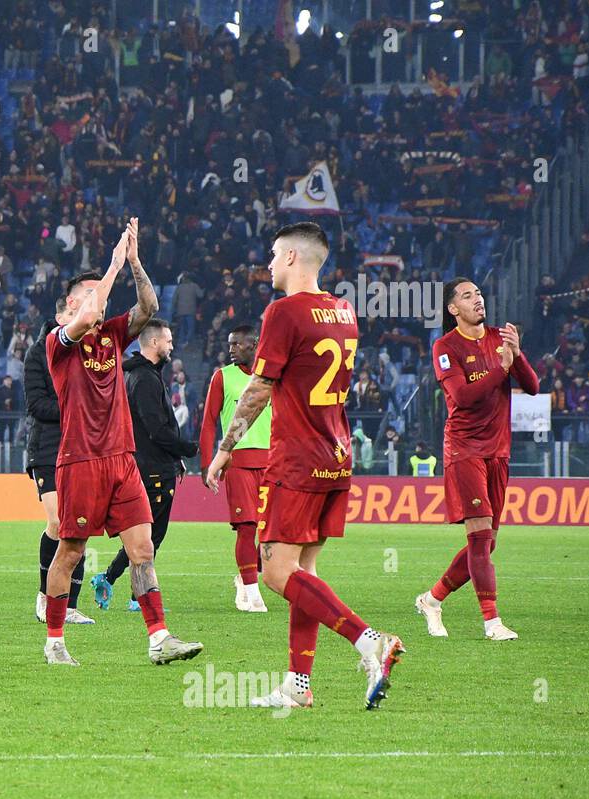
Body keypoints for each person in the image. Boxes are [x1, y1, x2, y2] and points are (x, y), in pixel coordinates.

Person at [206, 222, 404, 710]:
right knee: (305, 574)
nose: (269, 264)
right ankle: (299, 684)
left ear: (294, 258)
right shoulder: (344, 312)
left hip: (295, 459)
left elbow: (258, 388)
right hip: (337, 457)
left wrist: (226, 447)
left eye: (274, 255)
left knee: (274, 573)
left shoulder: (282, 312)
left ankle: (369, 641)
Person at [42, 218, 203, 667]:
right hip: (80, 461)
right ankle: (54, 639)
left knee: (142, 549)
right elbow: (90, 312)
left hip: (123, 460)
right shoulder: (59, 344)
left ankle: (158, 638)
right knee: (71, 550)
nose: (101, 299)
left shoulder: (113, 336)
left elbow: (148, 304)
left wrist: (132, 262)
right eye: (90, 293)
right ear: (70, 306)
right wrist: (111, 266)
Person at [414, 277, 539, 641]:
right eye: (468, 296)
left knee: (485, 543)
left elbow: (531, 386)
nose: (478, 300)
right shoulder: (445, 346)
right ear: (453, 309)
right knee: (481, 537)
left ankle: (432, 599)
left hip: (498, 451)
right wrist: (501, 368)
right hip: (464, 449)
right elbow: (463, 397)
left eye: (479, 294)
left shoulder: (501, 337)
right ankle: (492, 622)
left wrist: (514, 356)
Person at [91, 318, 198, 612]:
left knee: (145, 535)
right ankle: (128, 591)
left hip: (152, 463)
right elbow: (156, 430)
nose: (172, 346)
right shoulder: (145, 380)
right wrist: (188, 449)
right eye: (168, 340)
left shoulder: (139, 375)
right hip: (152, 468)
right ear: (153, 343)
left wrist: (175, 458)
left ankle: (119, 584)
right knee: (150, 536)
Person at [23, 302, 93, 627]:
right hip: (47, 448)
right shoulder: (38, 354)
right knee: (58, 522)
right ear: (60, 316)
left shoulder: (87, 355)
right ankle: (43, 596)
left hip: (80, 449)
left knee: (77, 525)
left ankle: (71, 605)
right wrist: (75, 408)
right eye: (73, 314)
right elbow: (36, 405)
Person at [199, 325, 271, 613]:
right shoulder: (222, 377)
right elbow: (208, 422)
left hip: (274, 462)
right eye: (229, 344)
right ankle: (252, 593)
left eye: (236, 344)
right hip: (239, 462)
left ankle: (246, 577)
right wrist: (208, 463)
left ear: (254, 344)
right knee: (247, 527)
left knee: (274, 533)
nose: (230, 349)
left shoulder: (272, 377)